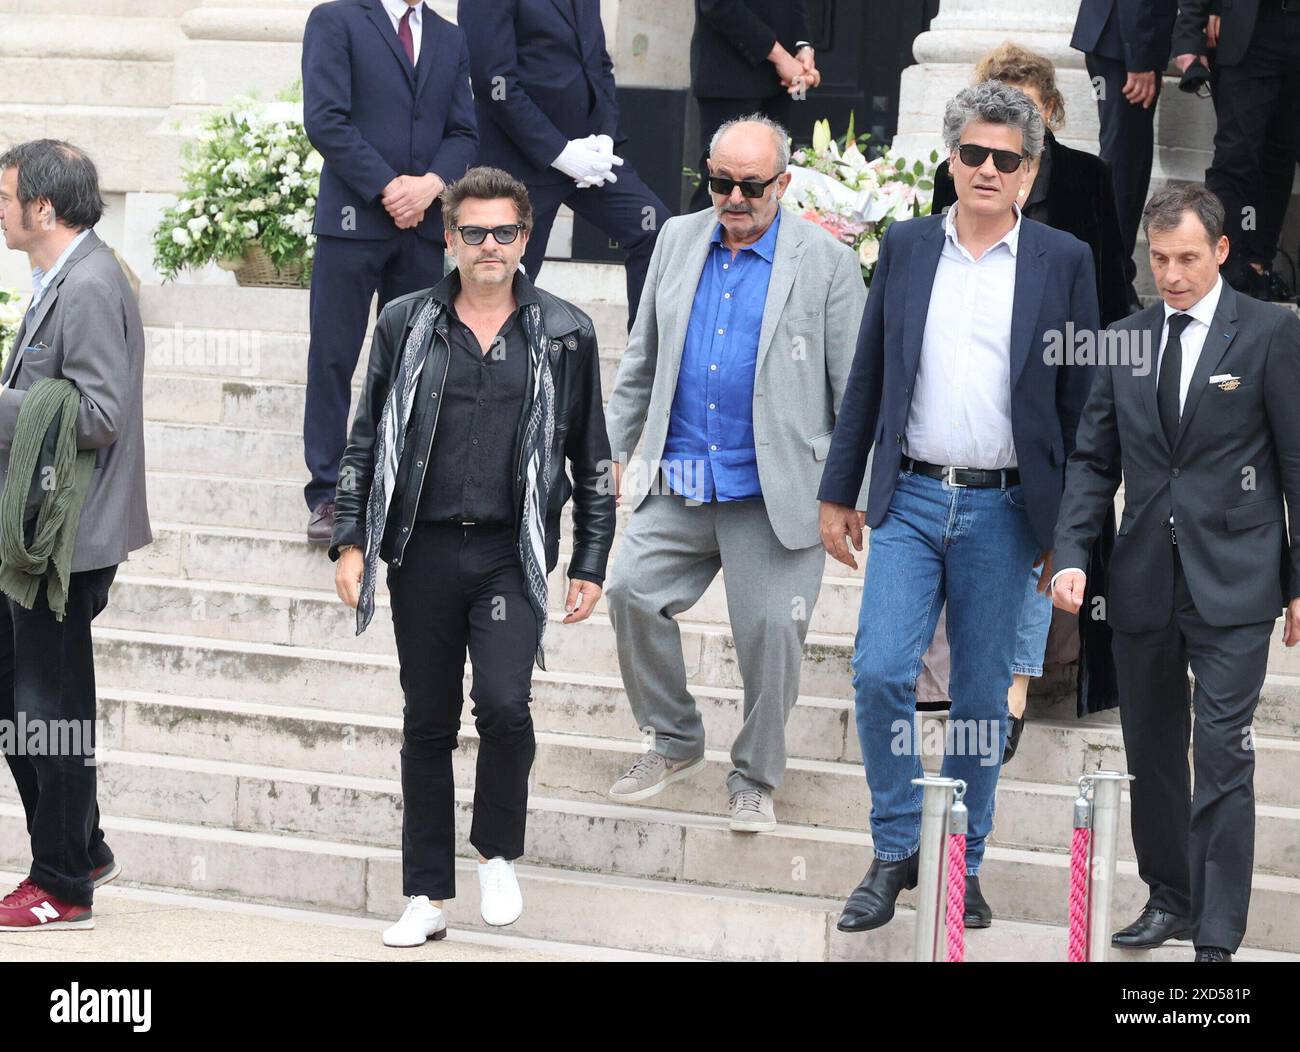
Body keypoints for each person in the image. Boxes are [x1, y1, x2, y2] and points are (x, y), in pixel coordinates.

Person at [818, 81, 1098, 933]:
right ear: (950, 159)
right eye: (971, 153)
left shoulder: (1065, 261)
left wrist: (1073, 530)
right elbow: (868, 374)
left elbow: (1086, 405)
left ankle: (962, 861)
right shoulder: (905, 248)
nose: (985, 169)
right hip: (908, 498)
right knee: (879, 672)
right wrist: (838, 490)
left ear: (1029, 172)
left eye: (1004, 159)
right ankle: (897, 843)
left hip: (1008, 514)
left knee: (981, 702)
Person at [329, 166, 616, 946]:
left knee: (504, 704)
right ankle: (425, 893)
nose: (489, 247)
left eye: (505, 233)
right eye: (473, 232)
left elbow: (592, 456)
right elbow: (366, 439)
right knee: (427, 719)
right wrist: (349, 538)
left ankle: (495, 848)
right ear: (447, 237)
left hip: (507, 552)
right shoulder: (405, 323)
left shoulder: (564, 332)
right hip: (420, 549)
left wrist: (590, 558)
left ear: (527, 238)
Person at [1051, 183, 1300, 962]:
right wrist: (1068, 555)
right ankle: (1171, 898)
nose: (1173, 274)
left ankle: (1218, 937)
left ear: (1222, 251)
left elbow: (1296, 463)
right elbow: (1095, 460)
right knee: (1152, 749)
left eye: (1187, 257)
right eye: (1159, 259)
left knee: (1223, 751)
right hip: (1141, 581)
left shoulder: (1268, 334)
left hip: (1238, 579)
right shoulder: (1124, 339)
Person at [602, 115, 865, 832]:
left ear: (784, 182)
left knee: (771, 637)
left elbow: (855, 392)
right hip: (682, 476)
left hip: (777, 493)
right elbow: (641, 360)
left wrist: (850, 495)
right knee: (629, 593)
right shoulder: (678, 241)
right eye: (721, 182)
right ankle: (674, 737)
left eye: (752, 185)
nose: (735, 197)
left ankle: (754, 776)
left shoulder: (828, 264)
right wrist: (617, 452)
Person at [927, 41, 1124, 759]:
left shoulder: (1087, 181)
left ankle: (1019, 686)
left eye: (1029, 113)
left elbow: (1110, 284)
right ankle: (974, 682)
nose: (1008, 137)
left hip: (1058, 381)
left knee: (1047, 531)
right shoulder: (953, 177)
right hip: (968, 389)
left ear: (1050, 116)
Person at [0, 140, 151, 930]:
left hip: (65, 541)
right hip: (32, 534)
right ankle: (82, 844)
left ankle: (62, 880)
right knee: (14, 701)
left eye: (7, 197)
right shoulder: (64, 274)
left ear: (44, 209)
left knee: (48, 710)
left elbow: (96, 415)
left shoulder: (90, 283)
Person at [300, 0, 478, 545]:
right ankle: (329, 494)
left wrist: (429, 185)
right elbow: (325, 119)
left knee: (413, 363)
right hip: (353, 222)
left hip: (422, 227)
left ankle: (395, 485)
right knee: (334, 357)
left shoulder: (449, 37)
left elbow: (464, 134)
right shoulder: (336, 19)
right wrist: (388, 187)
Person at [458, 0, 671, 328]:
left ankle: (645, 369)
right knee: (506, 277)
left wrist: (606, 133)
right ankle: (496, 370)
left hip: (591, 154)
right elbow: (492, 81)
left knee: (655, 230)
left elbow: (598, 63)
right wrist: (559, 152)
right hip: (518, 159)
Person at [1172, 0, 1300, 298]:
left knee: (1282, 156)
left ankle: (1260, 266)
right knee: (1236, 158)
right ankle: (1226, 271)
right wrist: (1190, 33)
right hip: (1250, 33)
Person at [1071, 0, 1178, 312]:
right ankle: (1110, 279)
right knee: (1124, 169)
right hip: (1124, 40)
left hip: (1120, 37)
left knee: (1127, 163)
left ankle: (1111, 275)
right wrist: (1139, 56)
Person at [688, 0, 821, 212]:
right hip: (730, 76)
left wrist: (803, 47)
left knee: (773, 187)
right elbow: (718, 5)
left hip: (780, 81)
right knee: (722, 188)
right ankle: (702, 246)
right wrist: (782, 58)